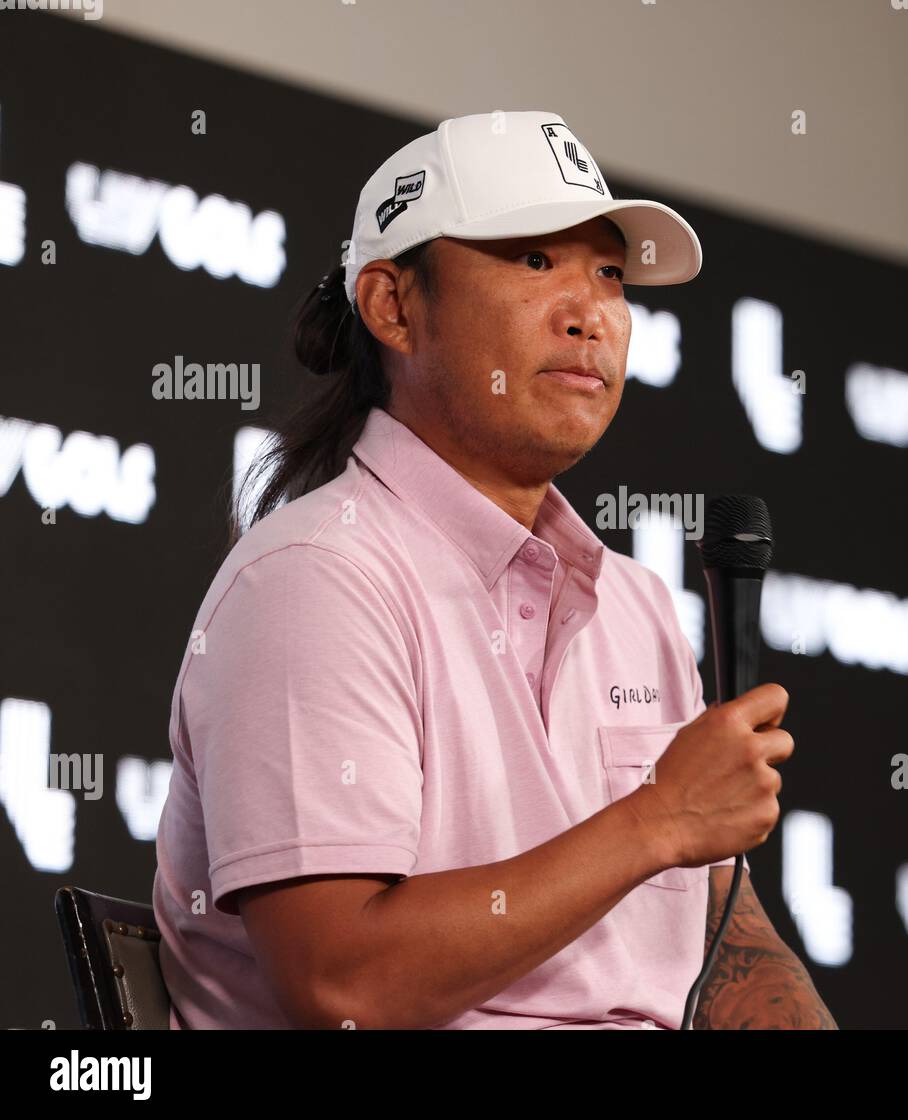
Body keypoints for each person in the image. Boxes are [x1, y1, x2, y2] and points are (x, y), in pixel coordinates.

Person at [153, 109, 836, 1029]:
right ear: (395, 306)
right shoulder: (317, 577)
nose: (589, 312)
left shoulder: (634, 605)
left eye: (608, 274)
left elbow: (732, 942)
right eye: (533, 261)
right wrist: (658, 820)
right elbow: (340, 986)